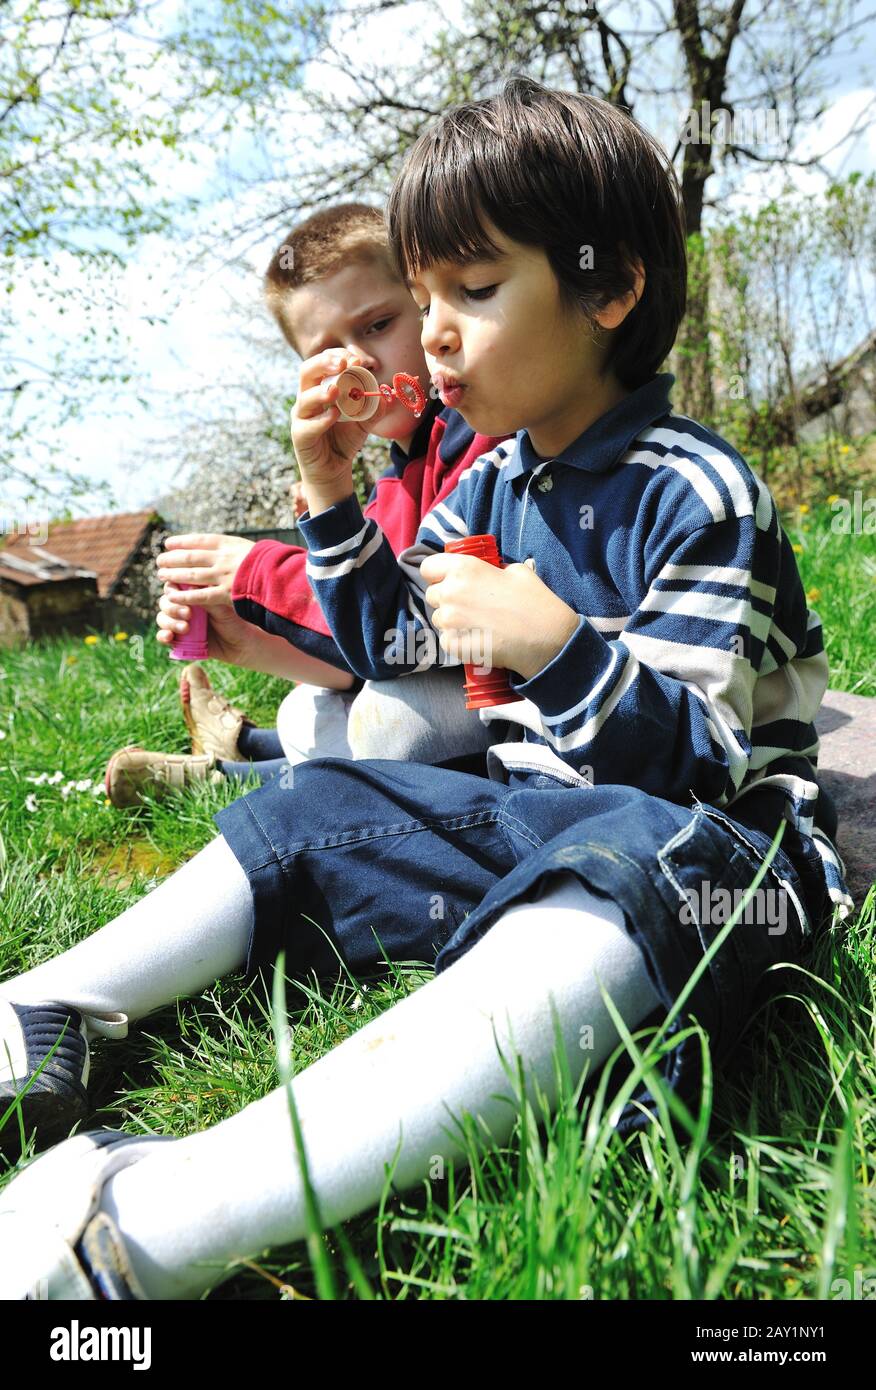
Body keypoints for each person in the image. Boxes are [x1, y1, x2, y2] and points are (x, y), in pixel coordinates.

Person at [0, 76, 855, 1302]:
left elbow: (697, 769)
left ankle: (151, 1226)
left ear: (609, 289)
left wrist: (557, 646)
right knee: (323, 795)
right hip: (520, 820)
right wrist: (333, 500)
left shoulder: (695, 489)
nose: (436, 330)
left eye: (477, 288)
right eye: (430, 291)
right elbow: (393, 650)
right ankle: (48, 1006)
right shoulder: (491, 483)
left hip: (714, 861)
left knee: (653, 869)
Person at [103, 202, 509, 808]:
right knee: (307, 709)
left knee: (390, 717)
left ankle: (233, 771)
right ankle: (245, 750)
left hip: (504, 718)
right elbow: (359, 652)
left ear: (426, 307)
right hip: (432, 698)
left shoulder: (484, 438)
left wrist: (258, 573)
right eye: (326, 350)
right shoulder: (393, 488)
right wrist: (249, 643)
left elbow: (401, 639)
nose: (359, 363)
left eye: (377, 325)